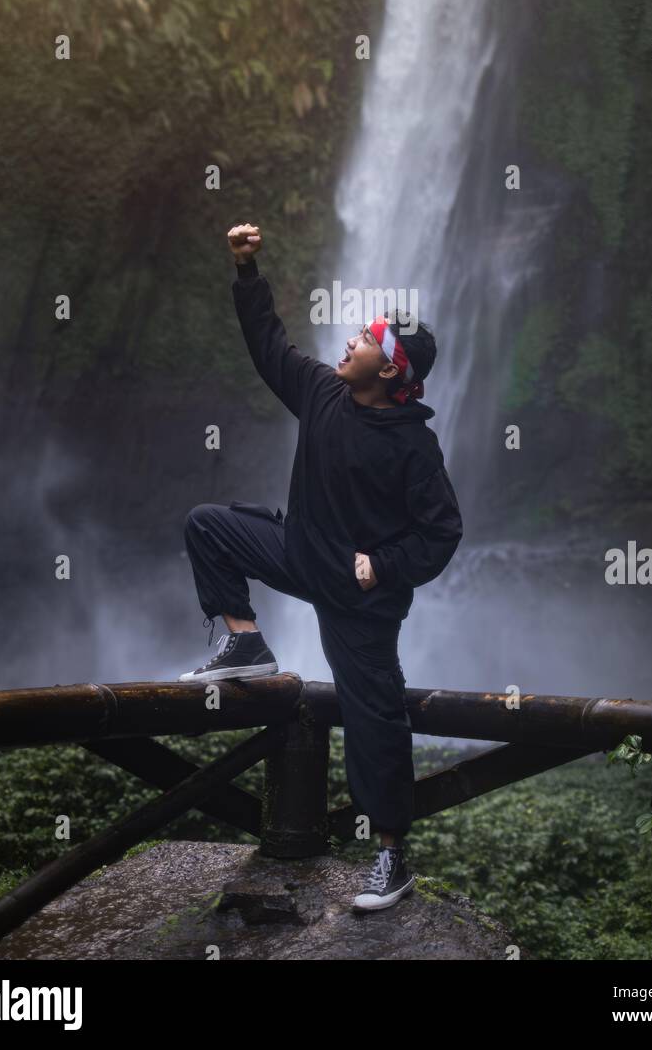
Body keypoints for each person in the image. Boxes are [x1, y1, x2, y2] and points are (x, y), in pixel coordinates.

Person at [181, 222, 463, 910]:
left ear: (391, 369)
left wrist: (384, 569)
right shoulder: (322, 393)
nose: (350, 342)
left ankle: (391, 857)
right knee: (208, 527)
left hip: (359, 601)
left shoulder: (414, 448)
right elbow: (269, 346)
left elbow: (443, 533)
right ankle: (243, 637)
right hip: (301, 555)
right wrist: (247, 272)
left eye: (365, 340)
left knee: (375, 719)